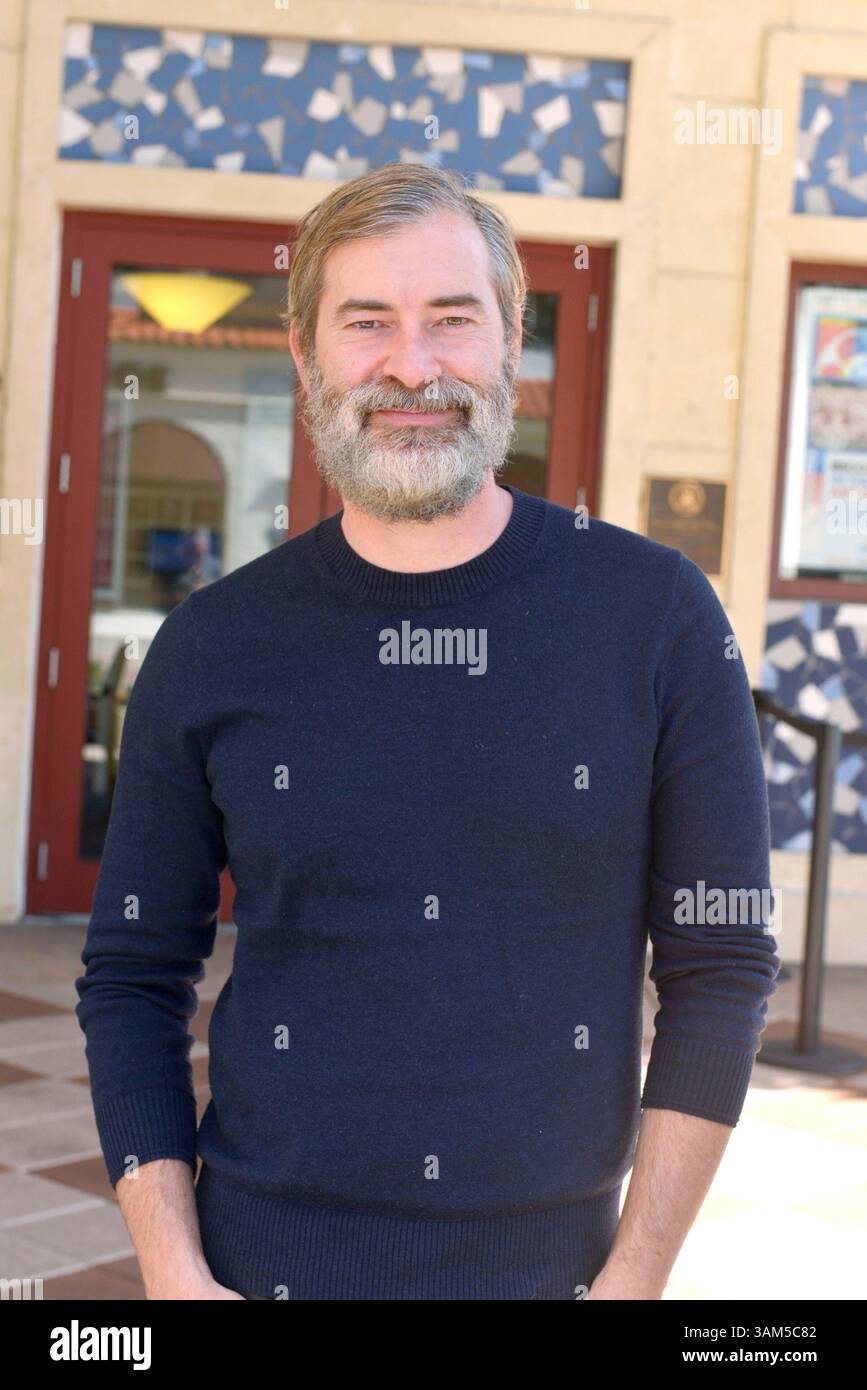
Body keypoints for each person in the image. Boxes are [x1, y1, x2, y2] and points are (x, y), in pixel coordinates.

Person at [75, 163, 780, 1301]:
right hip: (259, 1268)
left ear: (512, 348)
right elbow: (131, 974)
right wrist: (172, 1270)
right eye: (368, 323)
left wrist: (637, 1278)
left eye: (452, 319)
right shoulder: (214, 643)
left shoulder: (655, 616)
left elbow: (723, 962)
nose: (413, 365)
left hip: (561, 1273)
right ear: (306, 357)